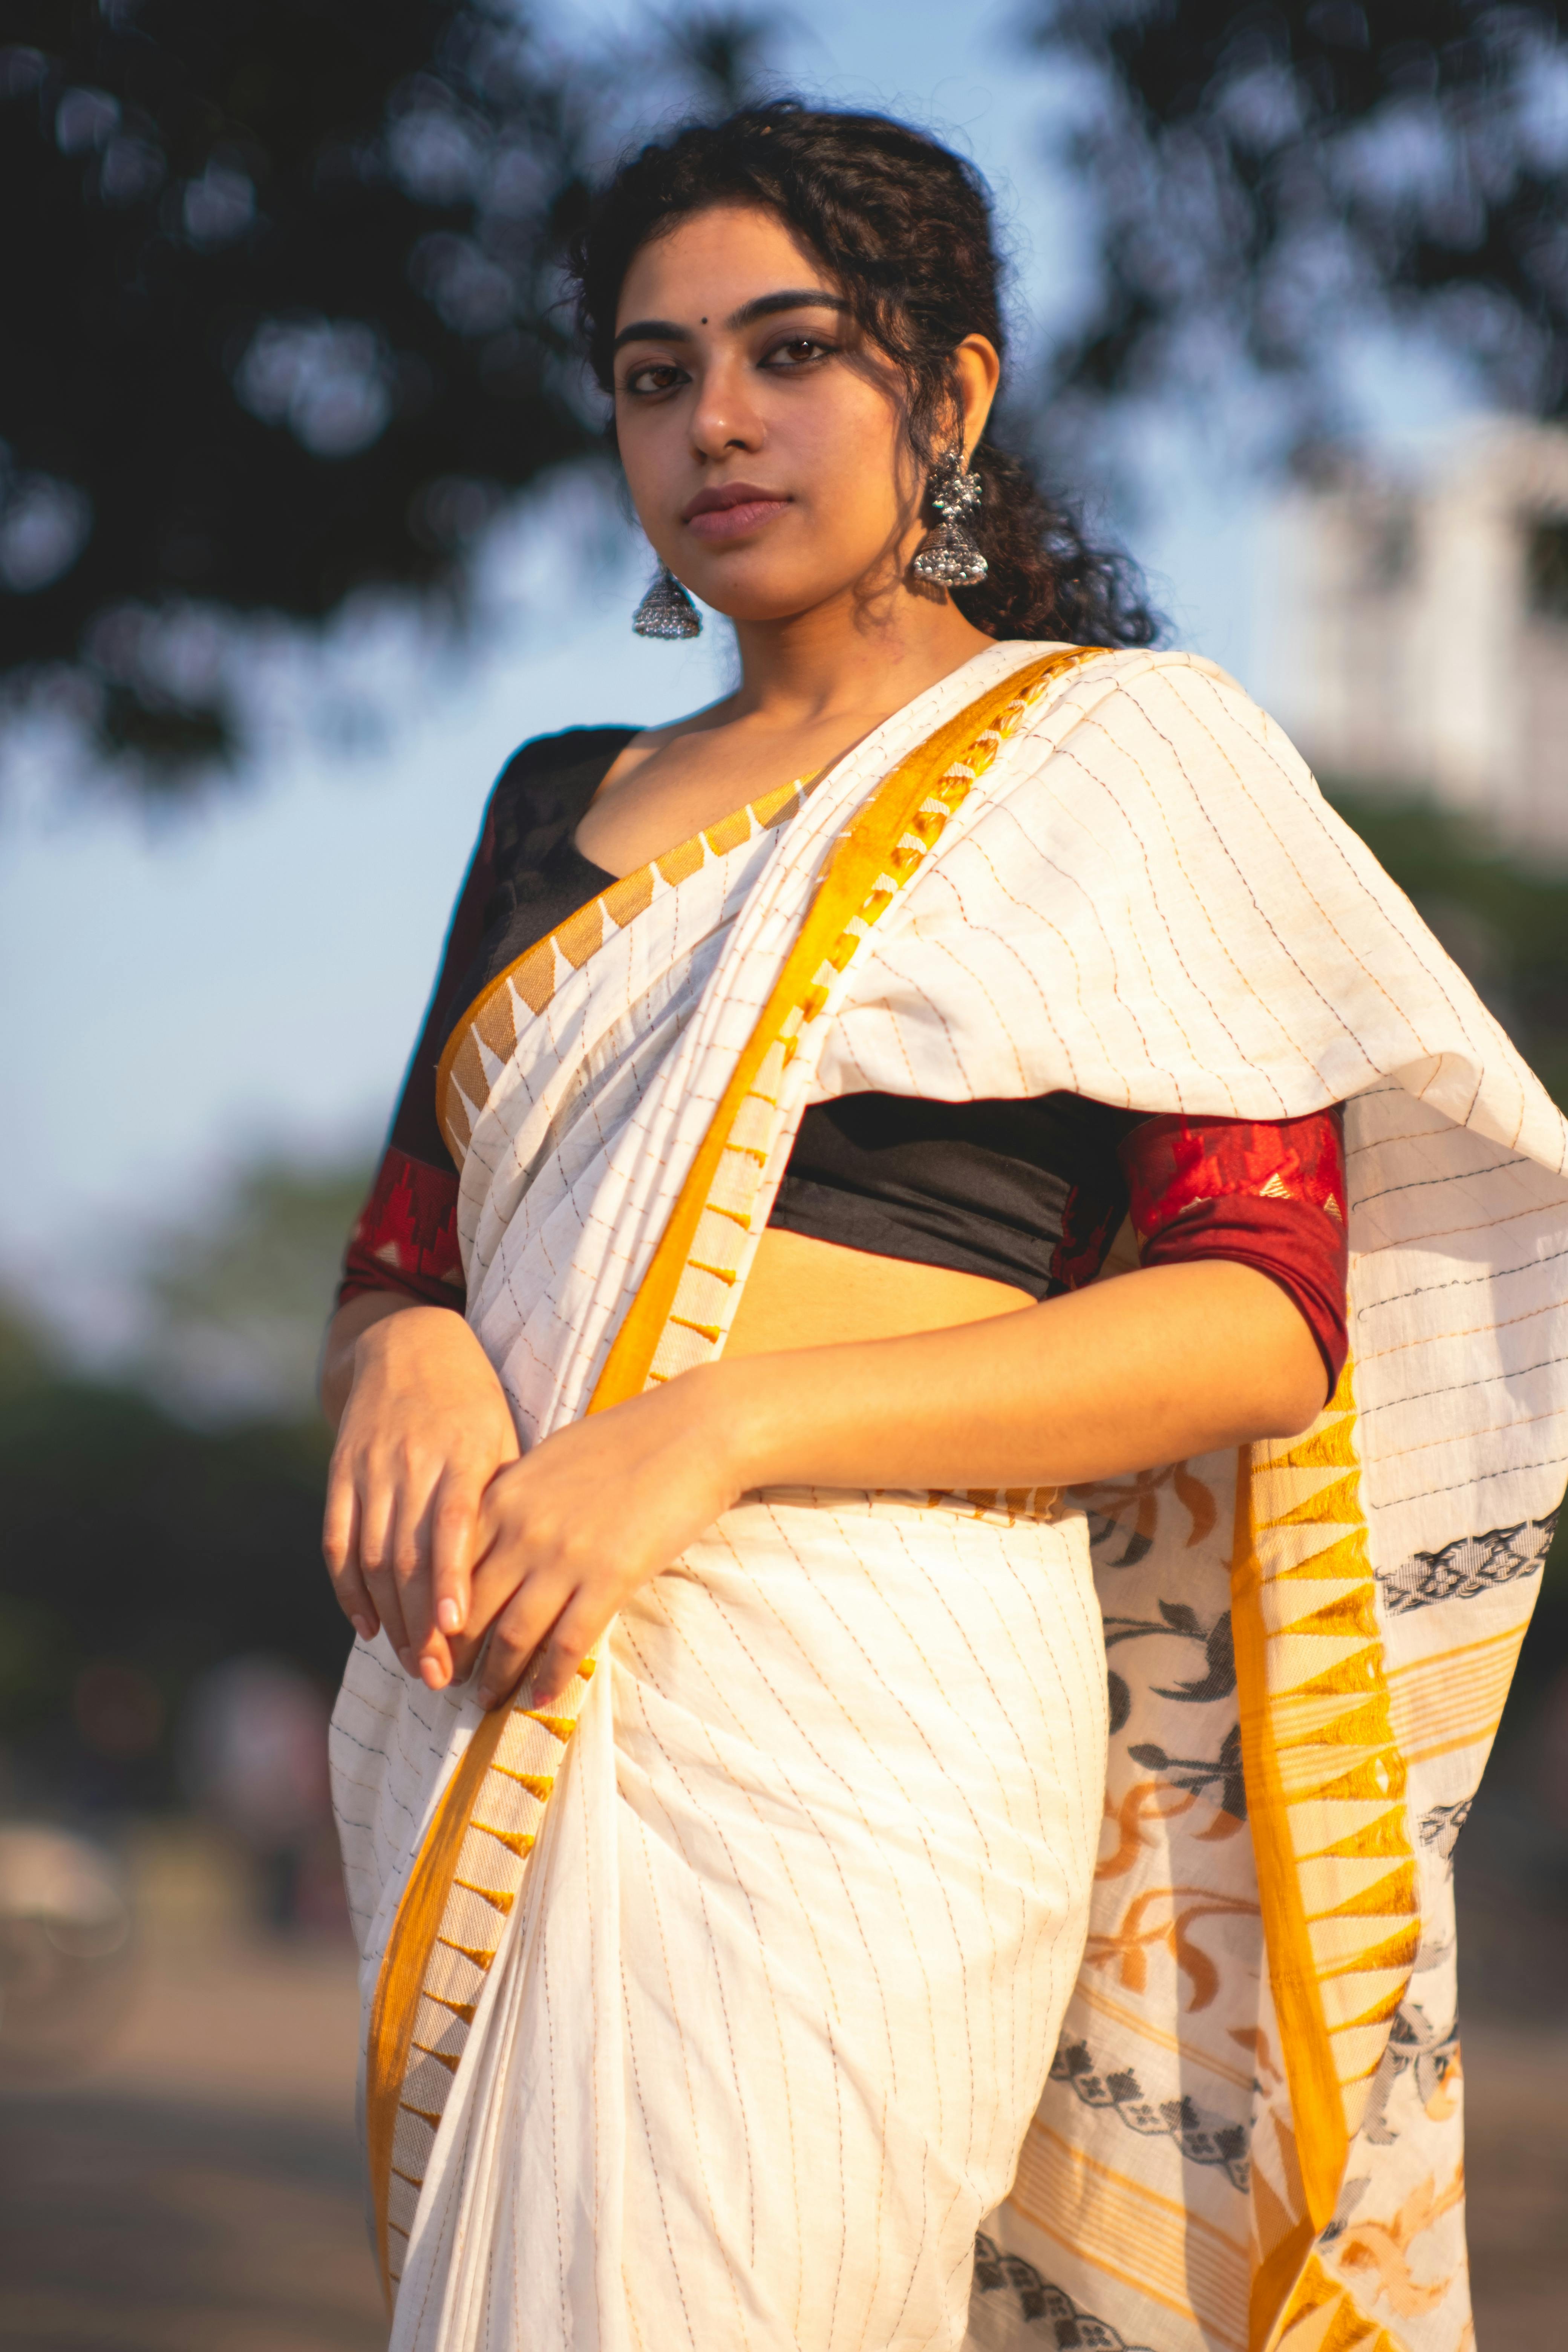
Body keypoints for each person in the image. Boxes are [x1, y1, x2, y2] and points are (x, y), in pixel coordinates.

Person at [322, 105, 1568, 2352]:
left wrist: (710, 1433)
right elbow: (408, 1242)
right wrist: (406, 1349)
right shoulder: (550, 800)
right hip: (516, 1658)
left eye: (791, 352)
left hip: (867, 1681)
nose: (714, 420)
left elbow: (1259, 1321)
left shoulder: (1123, 762)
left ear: (954, 396)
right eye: (650, 371)